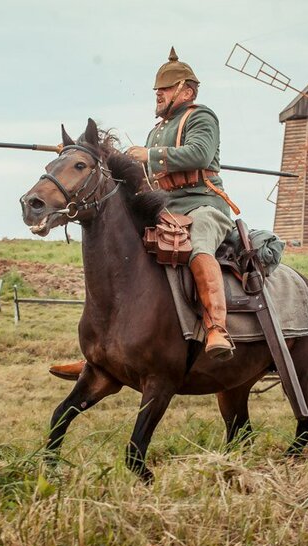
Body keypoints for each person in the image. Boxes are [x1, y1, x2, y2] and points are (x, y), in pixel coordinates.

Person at [50, 47, 238, 380]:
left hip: (205, 204)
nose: (158, 95)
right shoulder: (157, 129)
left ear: (187, 90)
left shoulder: (201, 117)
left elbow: (199, 153)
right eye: (157, 91)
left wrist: (149, 154)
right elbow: (150, 173)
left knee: (198, 248)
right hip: (168, 206)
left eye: (164, 90)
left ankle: (216, 329)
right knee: (124, 257)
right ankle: (106, 352)